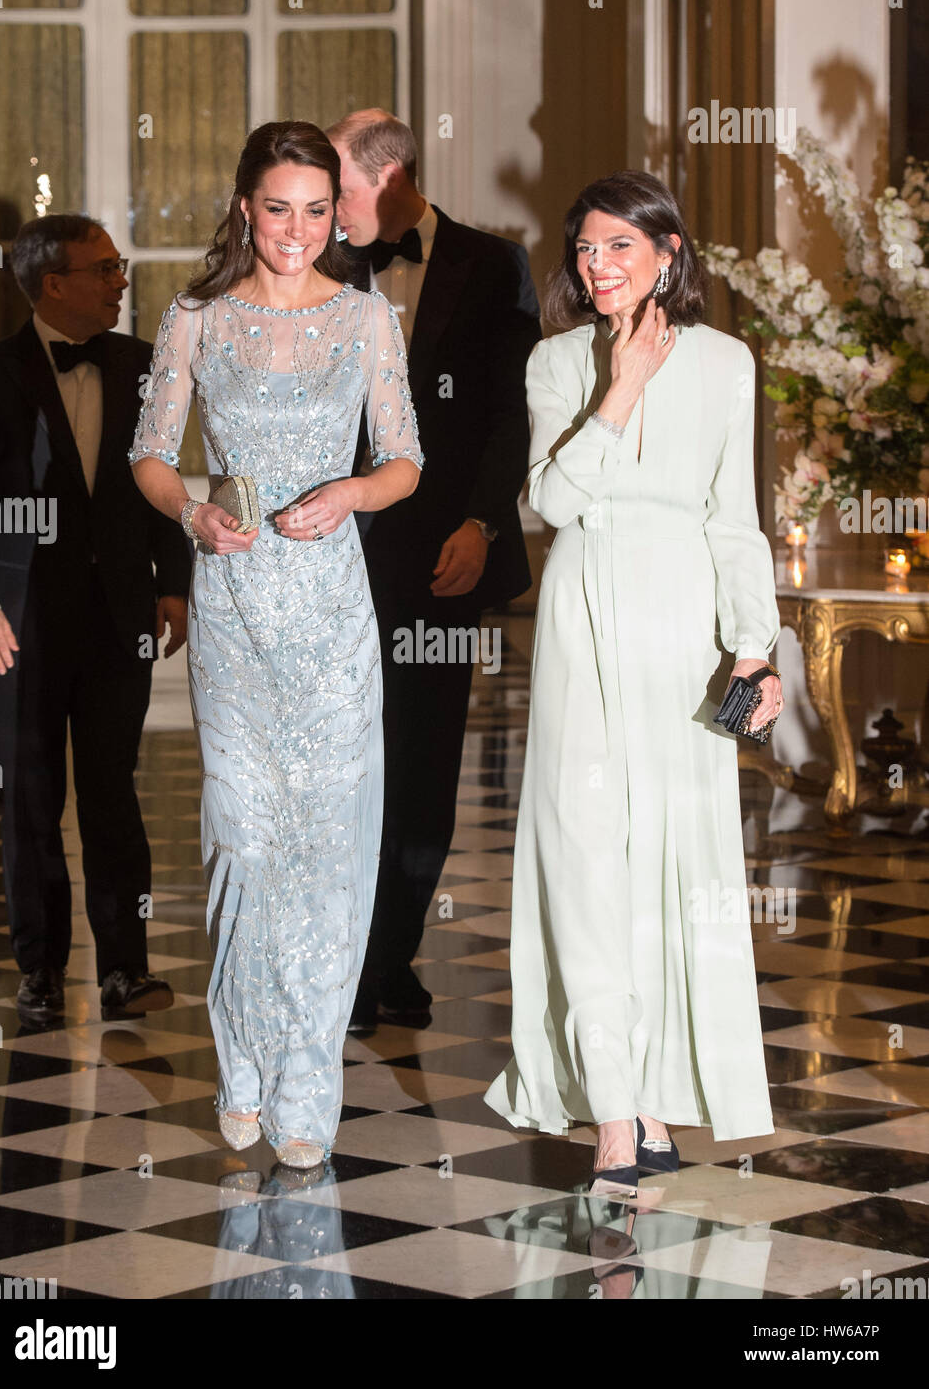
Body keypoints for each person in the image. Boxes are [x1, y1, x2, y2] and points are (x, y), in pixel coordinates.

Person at [129, 120, 423, 1168]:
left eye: (314, 209)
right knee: (245, 842)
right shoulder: (196, 319)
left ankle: (307, 1076)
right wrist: (195, 515)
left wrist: (348, 491)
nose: (295, 229)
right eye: (275, 208)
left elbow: (404, 462)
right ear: (243, 206)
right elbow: (150, 456)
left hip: (334, 614)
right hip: (234, 604)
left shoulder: (365, 319)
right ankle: (242, 1060)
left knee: (329, 850)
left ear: (335, 213)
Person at [483, 172, 784, 1194]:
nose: (596, 265)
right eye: (584, 250)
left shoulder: (727, 363)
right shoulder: (556, 361)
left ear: (668, 252)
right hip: (581, 617)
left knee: (670, 865)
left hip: (683, 629)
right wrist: (617, 388)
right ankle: (613, 1114)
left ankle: (654, 1097)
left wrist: (754, 645)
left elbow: (733, 514)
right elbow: (553, 500)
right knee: (580, 857)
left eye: (618, 246)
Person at [326, 109, 541, 1028]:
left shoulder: (493, 268)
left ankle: (388, 954)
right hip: (331, 558)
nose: (327, 210)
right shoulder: (322, 265)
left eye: (340, 189)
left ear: (394, 174)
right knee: (340, 765)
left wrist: (485, 524)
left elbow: (509, 415)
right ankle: (346, 960)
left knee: (421, 769)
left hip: (444, 560)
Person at [0, 214, 190, 1025]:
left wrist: (175, 581)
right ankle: (40, 970)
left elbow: (157, 480)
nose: (121, 280)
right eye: (105, 268)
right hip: (17, 622)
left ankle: (126, 970)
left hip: (117, 616)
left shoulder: (138, 364)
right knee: (27, 797)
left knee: (111, 795)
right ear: (53, 284)